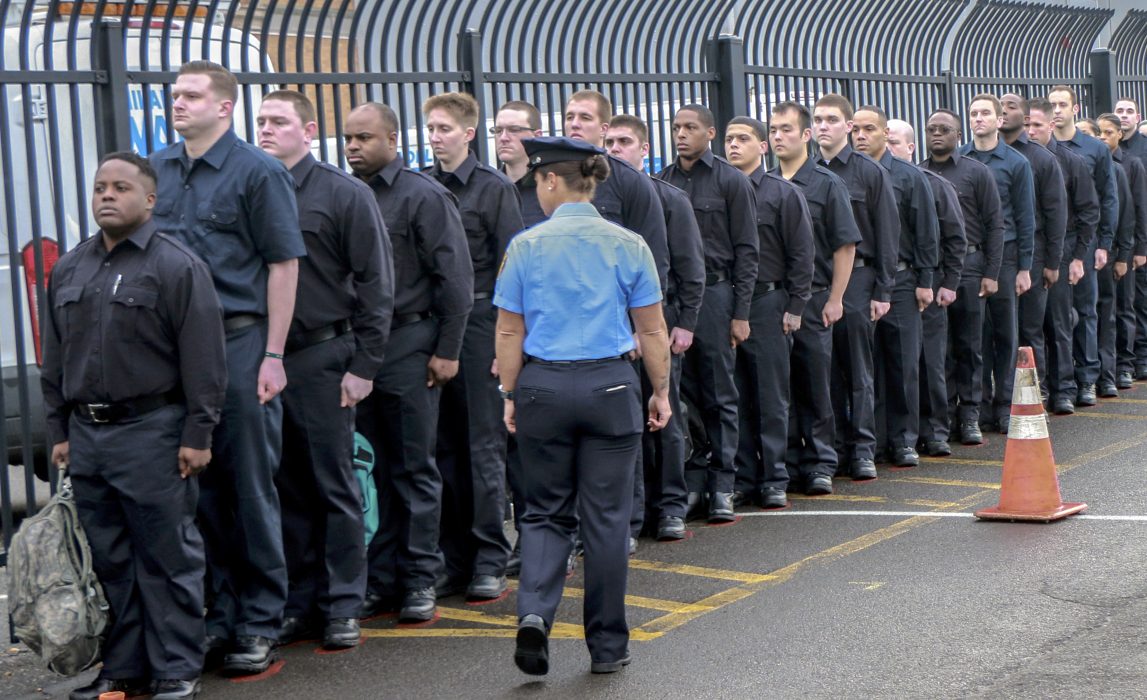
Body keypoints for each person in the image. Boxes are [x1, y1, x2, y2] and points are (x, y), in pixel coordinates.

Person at [44, 152, 227, 700]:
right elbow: (53, 358)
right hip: (90, 436)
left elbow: (205, 360)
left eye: (121, 187)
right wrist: (59, 430)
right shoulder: (69, 268)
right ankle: (123, 668)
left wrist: (198, 434)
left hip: (153, 431)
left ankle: (174, 667)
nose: (107, 195)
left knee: (167, 556)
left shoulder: (176, 266)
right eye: (101, 186)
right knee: (111, 560)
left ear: (149, 200)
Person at [150, 61, 305, 675]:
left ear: (224, 106)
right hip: (175, 355)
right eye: (174, 96)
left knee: (250, 488)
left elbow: (282, 265)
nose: (178, 104)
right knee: (198, 490)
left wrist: (273, 354)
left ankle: (260, 620)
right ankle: (218, 614)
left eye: (191, 95)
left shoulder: (257, 172)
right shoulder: (157, 171)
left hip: (240, 344)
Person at [496, 136, 671, 676]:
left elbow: (508, 329)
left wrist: (509, 391)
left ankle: (534, 614)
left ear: (551, 180)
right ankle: (608, 646)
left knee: (545, 512)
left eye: (538, 182)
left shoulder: (525, 246)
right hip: (611, 386)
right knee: (607, 518)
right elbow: (652, 329)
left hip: (544, 386)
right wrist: (660, 391)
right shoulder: (628, 244)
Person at [257, 90, 394, 649]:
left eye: (279, 121)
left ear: (308, 130)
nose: (266, 130)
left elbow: (376, 284)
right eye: (261, 121)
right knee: (285, 486)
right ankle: (300, 601)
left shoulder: (343, 194)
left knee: (333, 483)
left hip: (322, 355)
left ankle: (342, 603)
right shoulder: (255, 190)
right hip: (267, 358)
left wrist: (364, 365)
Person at [342, 102, 474, 623]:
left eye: (364, 138)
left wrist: (447, 350)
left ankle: (420, 577)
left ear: (392, 140)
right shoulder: (348, 196)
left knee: (414, 466)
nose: (354, 146)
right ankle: (382, 577)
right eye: (348, 138)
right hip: (360, 350)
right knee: (371, 470)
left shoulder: (422, 195)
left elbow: (455, 280)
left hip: (411, 344)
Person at [424, 92, 524, 601]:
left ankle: (489, 556)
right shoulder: (422, 186)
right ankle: (453, 557)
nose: (435, 136)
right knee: (441, 448)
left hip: (484, 321)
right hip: (436, 326)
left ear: (468, 133)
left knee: (483, 446)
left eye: (444, 128)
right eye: (431, 128)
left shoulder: (493, 189)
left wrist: (506, 344)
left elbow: (512, 266)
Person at [604, 114, 705, 540]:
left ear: (644, 149)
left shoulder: (669, 199)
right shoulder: (598, 202)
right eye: (608, 141)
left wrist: (683, 325)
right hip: (611, 336)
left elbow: (688, 268)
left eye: (624, 141)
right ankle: (634, 512)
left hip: (658, 329)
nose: (614, 149)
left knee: (665, 419)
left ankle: (670, 507)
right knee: (623, 427)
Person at [657, 104, 759, 520]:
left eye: (691, 128)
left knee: (720, 394)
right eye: (677, 127)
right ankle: (692, 482)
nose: (682, 134)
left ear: (710, 133)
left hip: (716, 295)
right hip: (674, 298)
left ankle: (723, 484)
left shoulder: (730, 182)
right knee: (682, 396)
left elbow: (748, 251)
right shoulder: (661, 181)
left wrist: (740, 312)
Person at [770, 101, 859, 495]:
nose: (778, 137)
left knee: (816, 384)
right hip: (774, 300)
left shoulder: (826, 184)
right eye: (773, 130)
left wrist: (836, 298)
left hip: (816, 298)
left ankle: (821, 461)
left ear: (805, 135)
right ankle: (786, 463)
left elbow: (844, 246)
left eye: (786, 129)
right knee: (779, 389)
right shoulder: (765, 182)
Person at [725, 116, 814, 505]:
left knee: (772, 395)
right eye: (729, 139)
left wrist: (795, 306)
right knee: (734, 395)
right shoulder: (721, 190)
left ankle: (775, 476)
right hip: (725, 301)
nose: (734, 146)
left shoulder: (782, 193)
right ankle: (744, 476)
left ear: (762, 146)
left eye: (743, 139)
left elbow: (802, 254)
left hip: (768, 302)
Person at [813, 94, 899, 480]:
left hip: (860, 279)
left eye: (831, 119)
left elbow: (886, 233)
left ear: (847, 126)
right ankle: (832, 450)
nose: (823, 126)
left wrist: (883, 290)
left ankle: (863, 448)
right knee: (824, 371)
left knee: (858, 368)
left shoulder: (868, 172)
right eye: (818, 119)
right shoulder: (809, 172)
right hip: (817, 282)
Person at [852, 106, 939, 467]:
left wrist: (925, 280)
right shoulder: (843, 175)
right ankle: (870, 441)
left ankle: (904, 439)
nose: (860, 135)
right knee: (864, 367)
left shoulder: (907, 175)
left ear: (885, 133)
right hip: (859, 278)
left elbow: (925, 229)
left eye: (868, 129)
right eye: (855, 129)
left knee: (903, 362)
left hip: (902, 279)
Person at [920, 109, 1004, 446]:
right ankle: (944, 417)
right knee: (939, 351)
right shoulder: (919, 173)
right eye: (931, 129)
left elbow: (995, 224)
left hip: (970, 267)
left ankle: (970, 414)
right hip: (933, 268)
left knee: (970, 345)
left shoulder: (977, 172)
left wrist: (991, 272)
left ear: (958, 135)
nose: (937, 134)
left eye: (944, 129)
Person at [887, 118, 967, 457]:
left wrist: (947, 283)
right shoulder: (876, 182)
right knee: (896, 365)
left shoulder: (932, 184)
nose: (888, 149)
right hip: (891, 284)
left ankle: (935, 430)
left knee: (930, 361)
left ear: (909, 147)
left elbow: (953, 237)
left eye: (894, 143)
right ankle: (896, 433)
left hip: (928, 285)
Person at [959, 94, 1036, 434]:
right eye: (973, 113)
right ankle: (978, 404)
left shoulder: (1016, 163)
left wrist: (1024, 267)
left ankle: (1006, 405)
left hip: (1005, 256)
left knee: (1006, 334)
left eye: (985, 113)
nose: (978, 119)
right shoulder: (960, 158)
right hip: (970, 259)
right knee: (975, 336)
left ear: (999, 118)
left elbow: (1025, 216)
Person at [1025, 98, 1100, 415]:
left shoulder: (1070, 162)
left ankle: (1064, 388)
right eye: (1027, 125)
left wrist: (1078, 257)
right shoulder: (1018, 159)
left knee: (1058, 323)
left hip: (1062, 247)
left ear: (1051, 125)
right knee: (1029, 328)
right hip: (1028, 250)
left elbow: (1088, 211)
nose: (1030, 131)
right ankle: (1035, 388)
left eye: (1037, 126)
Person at [1049, 85, 1120, 407]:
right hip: (1052, 242)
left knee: (1086, 310)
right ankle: (1059, 377)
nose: (1058, 110)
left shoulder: (1093, 149)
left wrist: (1104, 242)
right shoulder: (1041, 149)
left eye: (1063, 104)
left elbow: (1107, 197)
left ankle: (1088, 377)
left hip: (1084, 241)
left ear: (1075, 109)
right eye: (1053, 105)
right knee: (1057, 316)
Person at [999, 94, 1067, 404]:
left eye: (1011, 106)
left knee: (1030, 327)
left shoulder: (1040, 159)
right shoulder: (982, 157)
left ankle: (1034, 393)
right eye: (1000, 105)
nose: (1003, 110)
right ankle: (1002, 394)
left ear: (1026, 118)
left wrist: (1052, 262)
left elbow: (1055, 214)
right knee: (998, 331)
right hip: (996, 255)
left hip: (1034, 253)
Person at [1097, 113, 1147, 391]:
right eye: (1099, 133)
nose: (1104, 138)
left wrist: (1137, 249)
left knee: (1127, 306)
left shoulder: (1131, 164)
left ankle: (1128, 363)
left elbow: (1137, 210)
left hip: (1123, 249)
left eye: (1108, 133)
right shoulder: (1096, 163)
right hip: (1101, 250)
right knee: (1106, 310)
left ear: (1119, 135)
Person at [1113, 99, 1147, 380]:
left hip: (1140, 234)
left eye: (1128, 112)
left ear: (1138, 116)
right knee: (1125, 301)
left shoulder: (1142, 150)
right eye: (1119, 111)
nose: (1123, 116)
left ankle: (1141, 356)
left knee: (1139, 300)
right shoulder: (1108, 150)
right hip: (1121, 237)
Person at [494, 100, 546, 227]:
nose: (503, 138)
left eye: (514, 130)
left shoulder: (550, 188)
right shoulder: (488, 189)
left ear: (537, 136)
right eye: (498, 130)